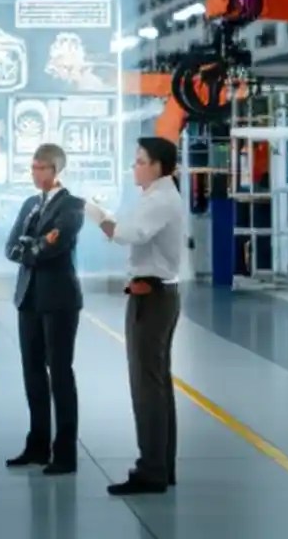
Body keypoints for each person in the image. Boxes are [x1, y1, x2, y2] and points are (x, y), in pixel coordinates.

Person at [100, 136, 186, 495]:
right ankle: (161, 464)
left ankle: (151, 469)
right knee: (157, 384)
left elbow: (130, 234)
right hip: (156, 294)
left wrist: (102, 222)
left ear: (157, 166)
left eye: (139, 160)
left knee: (146, 386)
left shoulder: (161, 199)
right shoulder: (156, 197)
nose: (134, 166)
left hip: (151, 298)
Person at [4, 143, 85, 475]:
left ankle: (64, 452)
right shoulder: (29, 205)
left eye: (42, 168)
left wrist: (35, 247)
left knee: (60, 373)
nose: (36, 173)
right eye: (33, 167)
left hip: (59, 300)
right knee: (33, 373)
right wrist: (36, 245)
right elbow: (12, 248)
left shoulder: (73, 206)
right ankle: (37, 444)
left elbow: (56, 246)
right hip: (29, 298)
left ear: (56, 170)